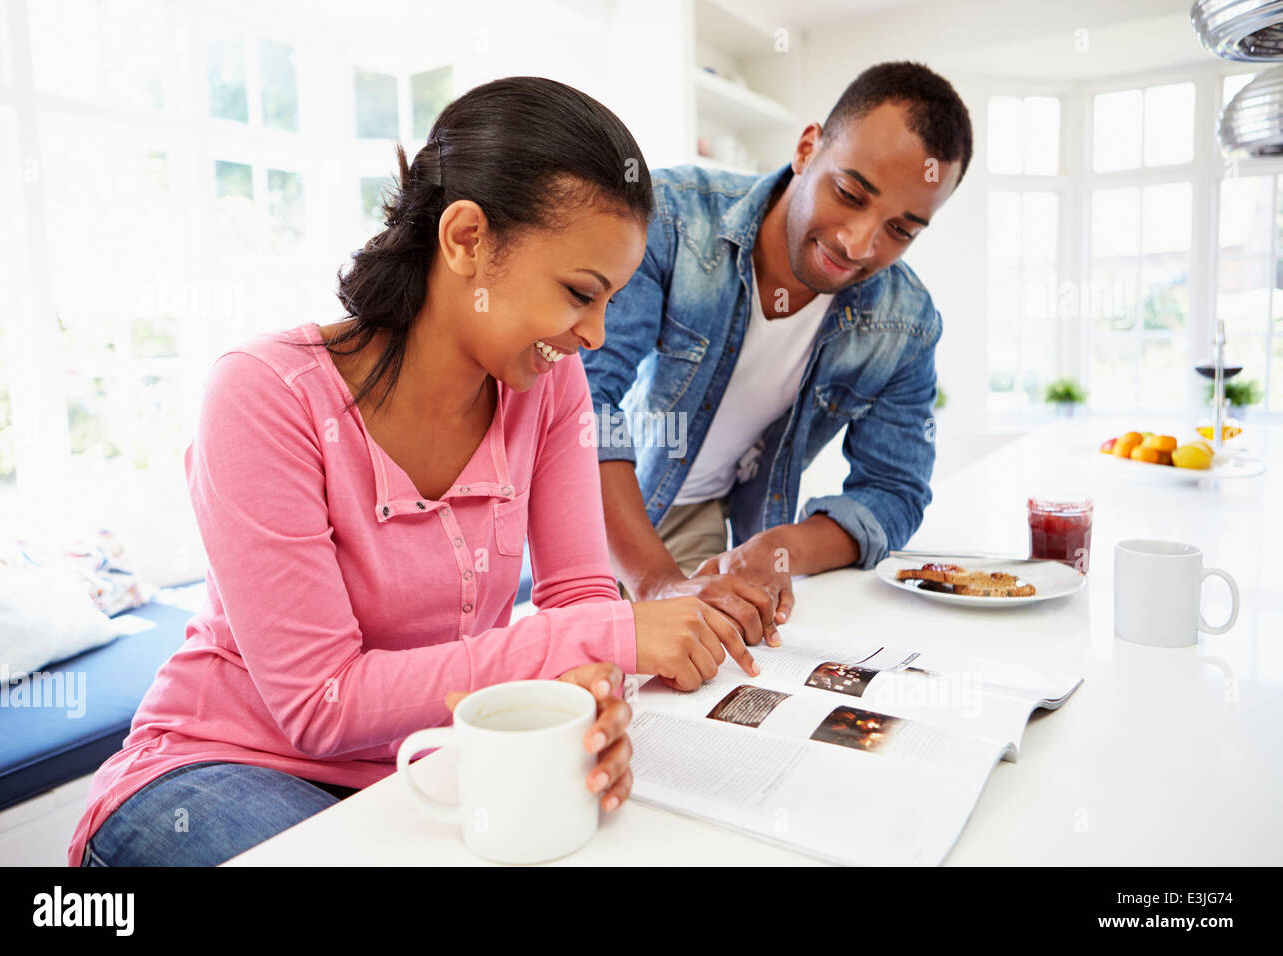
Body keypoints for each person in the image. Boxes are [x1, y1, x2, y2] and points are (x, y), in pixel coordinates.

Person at [68, 76, 757, 868]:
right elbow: (323, 704)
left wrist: (589, 708)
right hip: (219, 768)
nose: (596, 336)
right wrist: (604, 636)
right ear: (465, 238)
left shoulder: (549, 386)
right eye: (579, 293)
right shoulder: (264, 396)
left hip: (432, 760)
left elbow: (575, 598)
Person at [582, 61, 973, 646]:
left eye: (901, 229)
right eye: (849, 194)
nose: (859, 243)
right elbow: (582, 400)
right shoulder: (672, 218)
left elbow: (894, 491)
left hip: (710, 520)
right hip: (608, 498)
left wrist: (783, 547)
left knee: (703, 678)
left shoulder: (907, 324)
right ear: (807, 147)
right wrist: (657, 581)